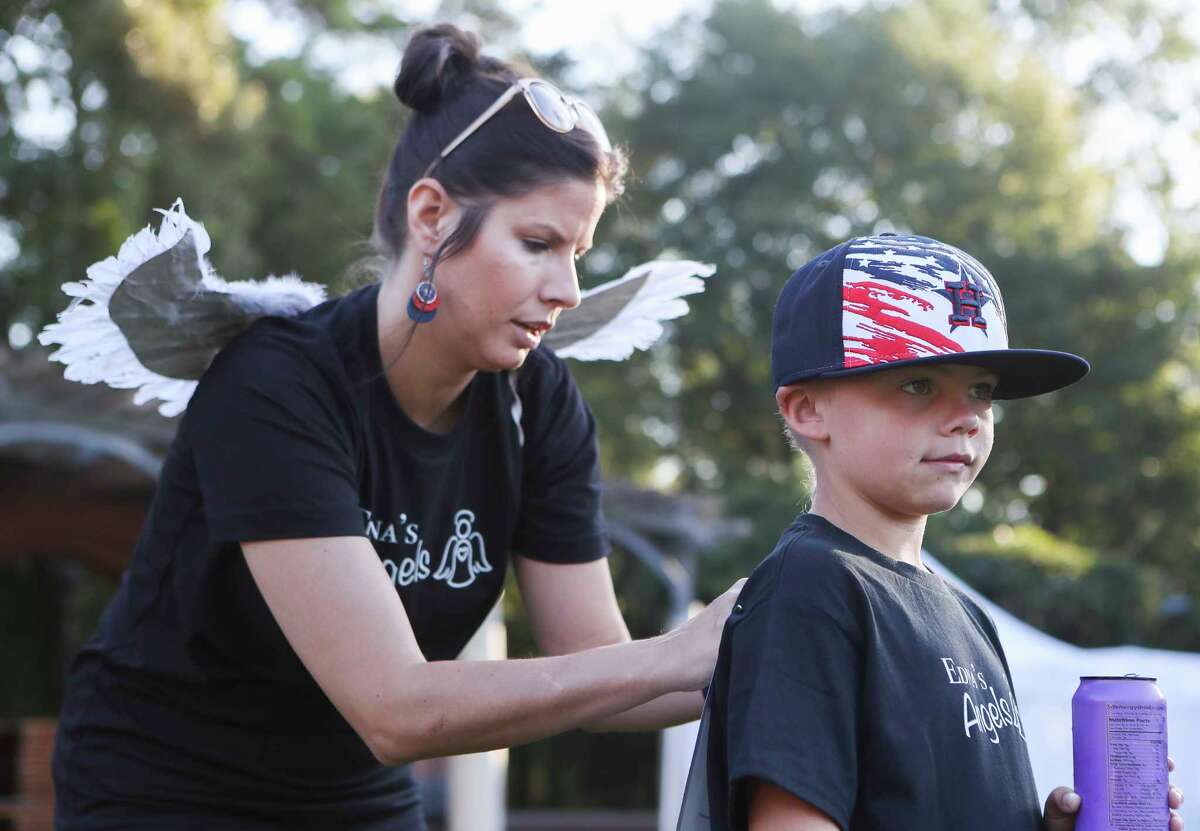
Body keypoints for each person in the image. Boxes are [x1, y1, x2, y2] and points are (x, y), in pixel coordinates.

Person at [51, 24, 741, 830]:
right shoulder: (276, 384)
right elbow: (395, 706)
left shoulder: (538, 404)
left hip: (352, 792)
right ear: (432, 215)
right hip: (167, 786)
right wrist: (671, 654)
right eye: (539, 243)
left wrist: (764, 647)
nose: (568, 288)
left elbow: (603, 672)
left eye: (580, 250)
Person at [691, 234, 1186, 830]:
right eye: (918, 384)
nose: (967, 417)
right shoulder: (812, 587)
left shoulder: (964, 613)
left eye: (981, 390)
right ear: (807, 410)